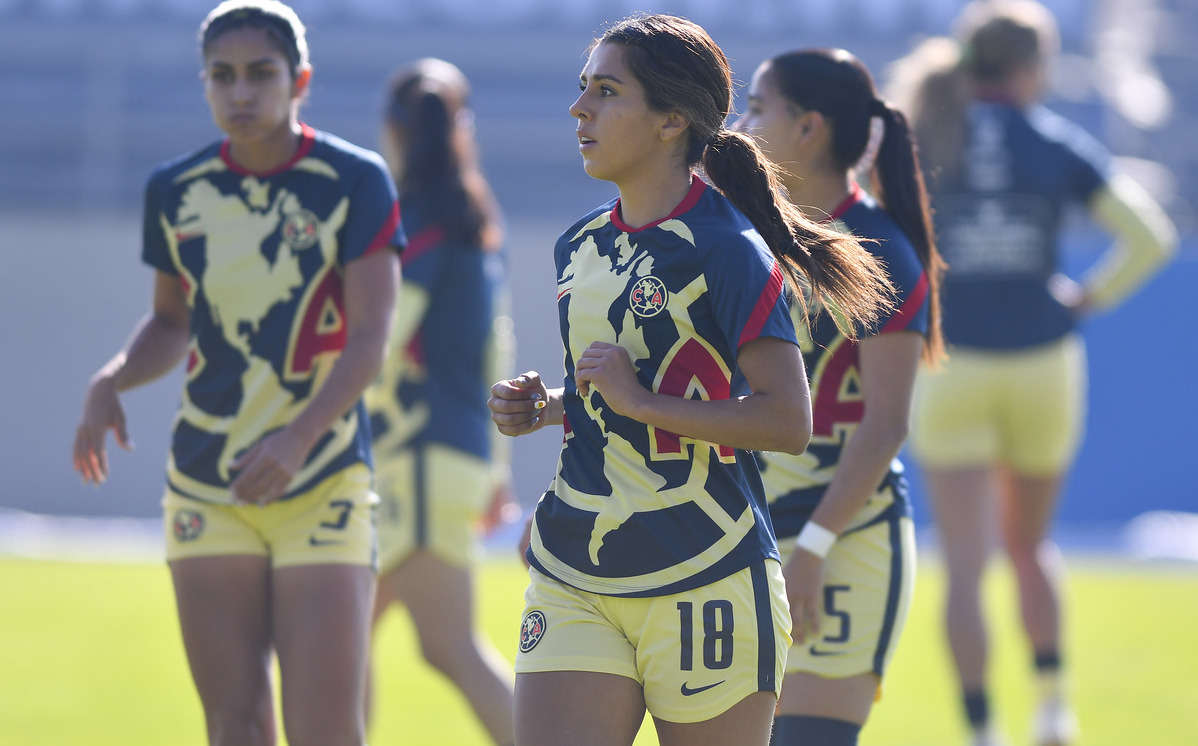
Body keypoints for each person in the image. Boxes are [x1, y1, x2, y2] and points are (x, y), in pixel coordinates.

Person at [487, 14, 895, 746]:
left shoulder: (729, 248)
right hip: (578, 568)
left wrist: (642, 401)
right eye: (583, 89)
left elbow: (784, 420)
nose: (580, 109)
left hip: (706, 572)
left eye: (606, 92)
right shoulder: (576, 245)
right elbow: (607, 402)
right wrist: (548, 407)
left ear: (673, 119)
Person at [70, 2, 404, 744]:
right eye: (222, 76)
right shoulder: (175, 188)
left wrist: (296, 439)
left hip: (321, 482)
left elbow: (372, 335)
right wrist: (111, 379)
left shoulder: (355, 179)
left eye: (260, 74)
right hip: (206, 484)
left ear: (299, 80)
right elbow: (169, 323)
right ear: (205, 84)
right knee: (235, 724)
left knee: (324, 731)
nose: (241, 92)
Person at [887, 2, 1178, 745]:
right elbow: (1151, 236)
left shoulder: (925, 137)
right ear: (1030, 67)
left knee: (964, 561)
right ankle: (1053, 709)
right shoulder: (1053, 140)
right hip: (1044, 363)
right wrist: (1086, 299)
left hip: (949, 366)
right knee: (1030, 549)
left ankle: (983, 731)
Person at [732, 47, 945, 746]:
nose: (743, 121)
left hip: (842, 537)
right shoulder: (739, 234)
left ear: (809, 128)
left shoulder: (879, 247)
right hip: (740, 535)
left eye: (759, 106)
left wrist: (815, 549)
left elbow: (886, 426)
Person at [362, 57, 516, 746]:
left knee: (448, 646)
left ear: (393, 129)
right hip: (444, 455)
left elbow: (385, 337)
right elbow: (497, 354)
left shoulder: (420, 218)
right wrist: (495, 466)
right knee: (340, 635)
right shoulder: (472, 218)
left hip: (417, 458)